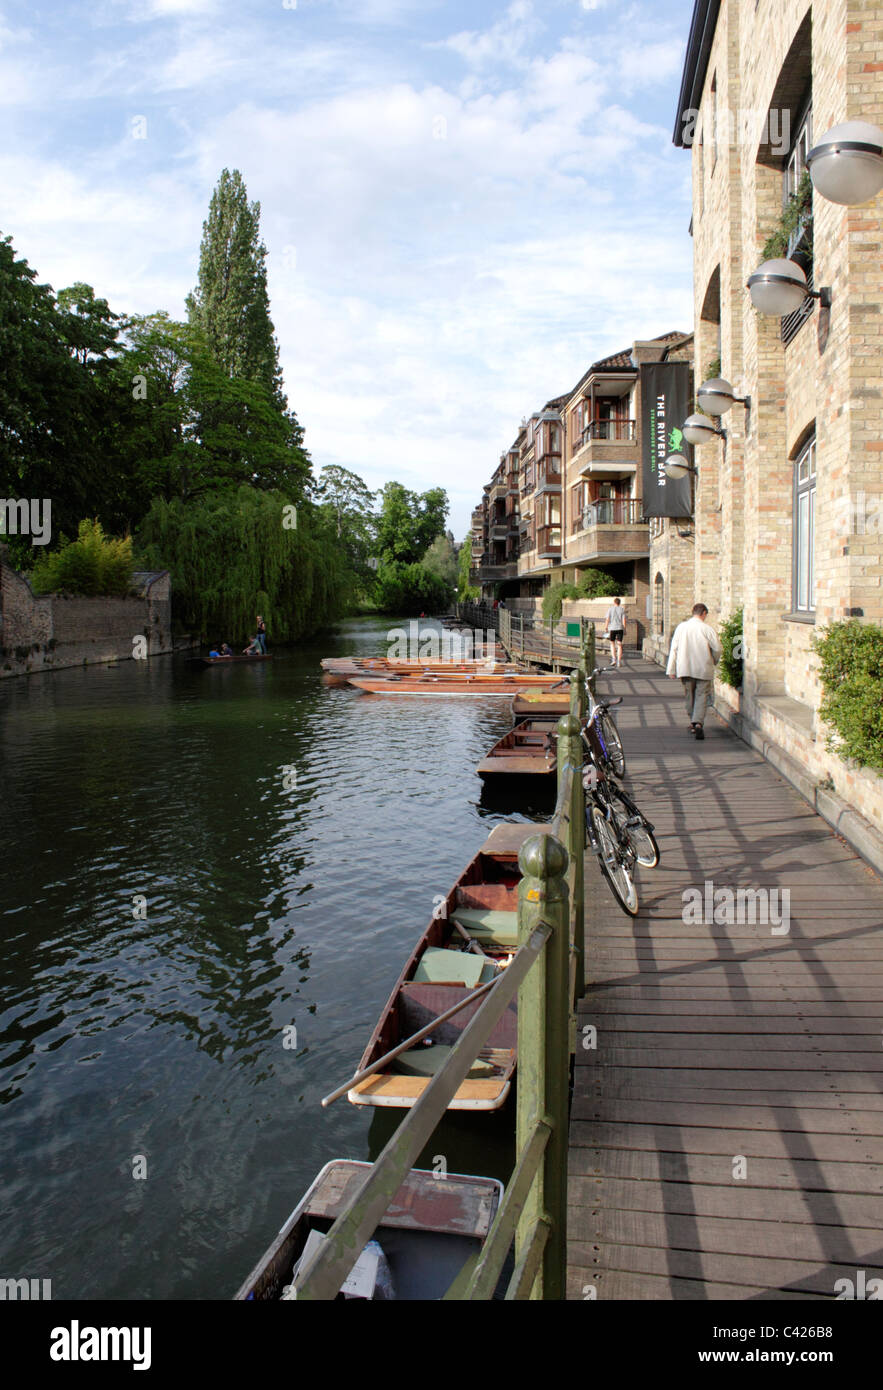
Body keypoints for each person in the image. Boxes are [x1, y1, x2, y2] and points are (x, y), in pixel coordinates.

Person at [666, 603, 721, 740]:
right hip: (704, 668)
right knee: (702, 696)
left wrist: (671, 669)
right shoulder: (707, 629)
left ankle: (692, 721)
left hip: (685, 667)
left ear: (693, 612)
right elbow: (718, 649)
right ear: (703, 613)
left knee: (689, 695)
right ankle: (698, 723)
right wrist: (714, 660)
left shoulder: (681, 628)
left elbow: (674, 648)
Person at [603, 597, 626, 669]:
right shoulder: (622, 609)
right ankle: (619, 661)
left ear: (614, 602)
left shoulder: (610, 609)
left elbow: (607, 619)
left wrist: (606, 627)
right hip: (619, 628)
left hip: (612, 628)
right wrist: (624, 629)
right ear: (619, 603)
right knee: (619, 644)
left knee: (612, 643)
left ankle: (614, 659)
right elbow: (624, 620)